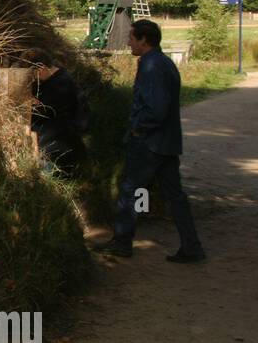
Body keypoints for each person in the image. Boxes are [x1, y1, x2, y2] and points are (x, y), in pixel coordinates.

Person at [95, 20, 205, 263]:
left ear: (144, 40)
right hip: (166, 142)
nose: (128, 42)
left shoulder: (151, 65)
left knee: (131, 189)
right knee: (174, 195)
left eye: (131, 38)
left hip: (149, 142)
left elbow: (156, 108)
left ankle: (123, 242)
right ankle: (191, 245)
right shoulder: (164, 62)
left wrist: (138, 129)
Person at [28, 49, 84, 177]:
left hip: (57, 146)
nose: (32, 79)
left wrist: (32, 105)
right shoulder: (53, 80)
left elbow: (45, 111)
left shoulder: (61, 85)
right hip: (55, 141)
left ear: (41, 68)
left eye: (32, 74)